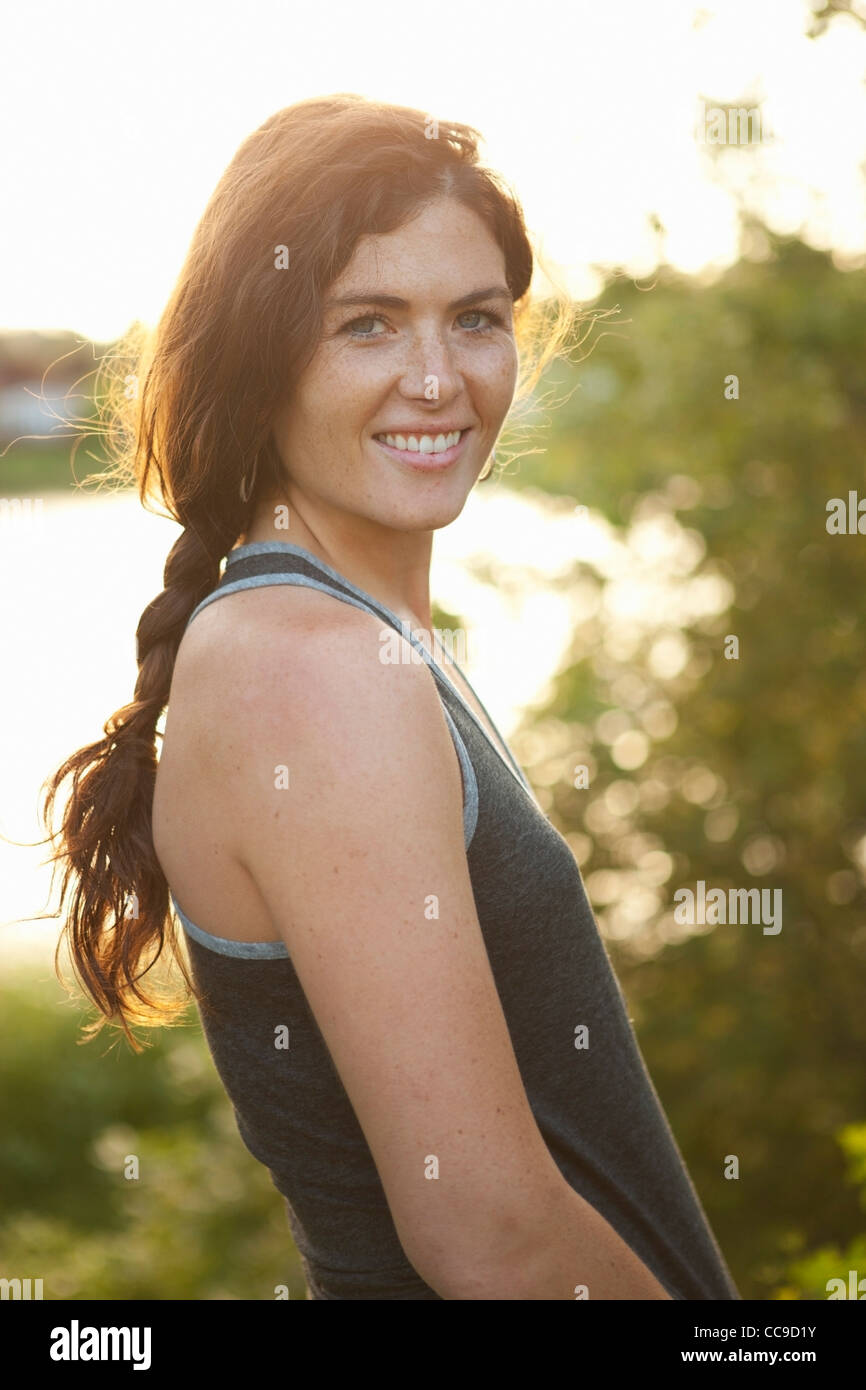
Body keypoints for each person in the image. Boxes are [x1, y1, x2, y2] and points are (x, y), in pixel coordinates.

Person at [43, 93, 740, 1301]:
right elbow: (487, 1237)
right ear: (260, 358)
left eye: (474, 319)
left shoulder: (359, 640)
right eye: (367, 325)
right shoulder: (305, 668)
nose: (437, 379)